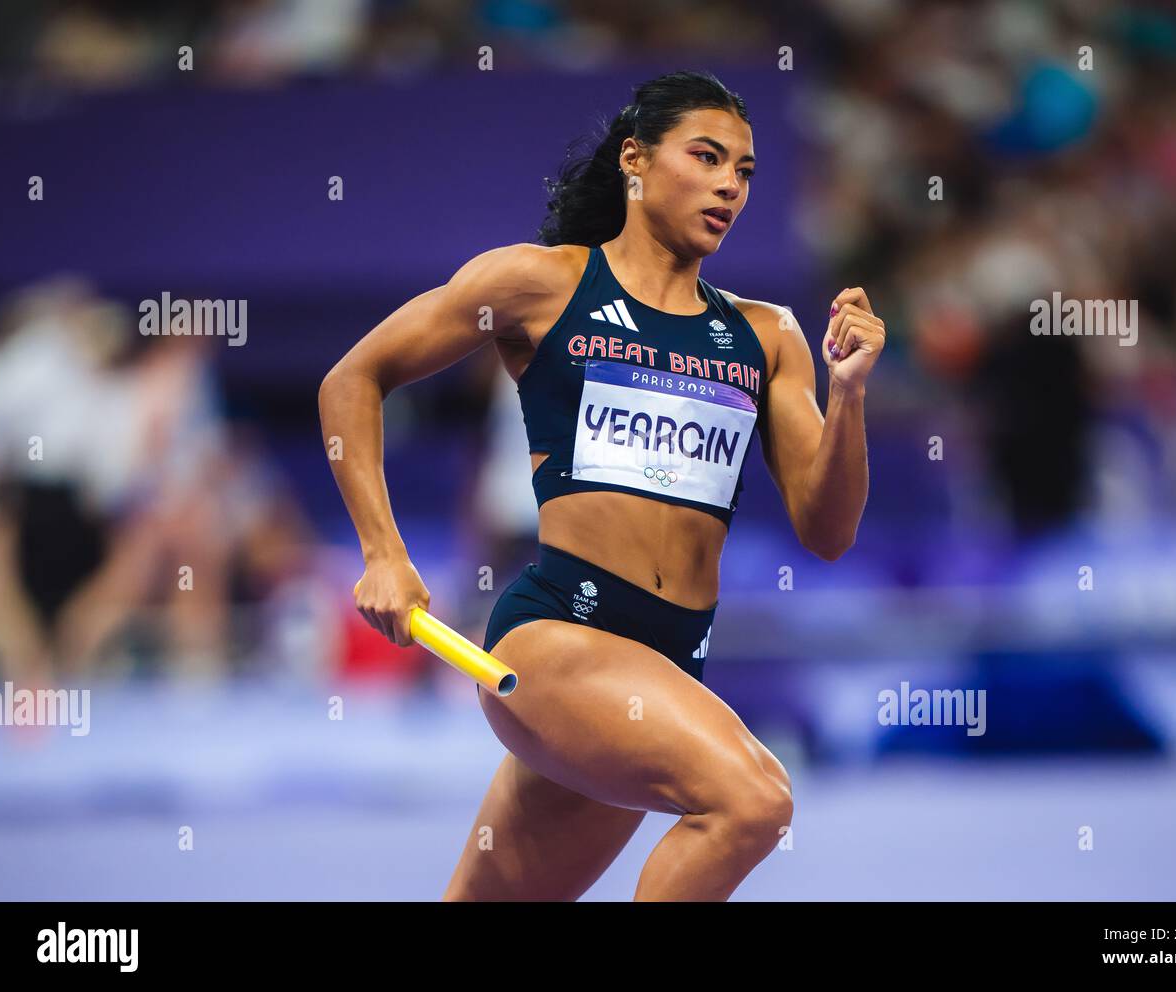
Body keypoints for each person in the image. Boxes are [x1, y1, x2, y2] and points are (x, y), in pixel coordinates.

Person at [318, 70, 885, 901]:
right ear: (635, 161)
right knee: (753, 800)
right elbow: (352, 381)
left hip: (664, 672)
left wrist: (851, 393)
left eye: (746, 171)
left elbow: (828, 531)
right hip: (557, 643)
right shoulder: (539, 283)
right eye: (707, 156)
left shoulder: (765, 336)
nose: (730, 183)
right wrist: (384, 553)